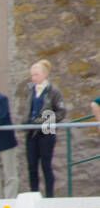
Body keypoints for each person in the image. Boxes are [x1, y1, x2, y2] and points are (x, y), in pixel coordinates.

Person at [22, 60, 66, 198]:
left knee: (46, 165)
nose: (34, 78)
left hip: (46, 132)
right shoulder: (30, 90)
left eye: (37, 75)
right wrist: (27, 122)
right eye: (32, 75)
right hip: (31, 132)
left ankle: (49, 198)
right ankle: (34, 197)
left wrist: (43, 121)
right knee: (32, 166)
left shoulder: (53, 91)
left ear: (45, 75)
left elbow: (61, 112)